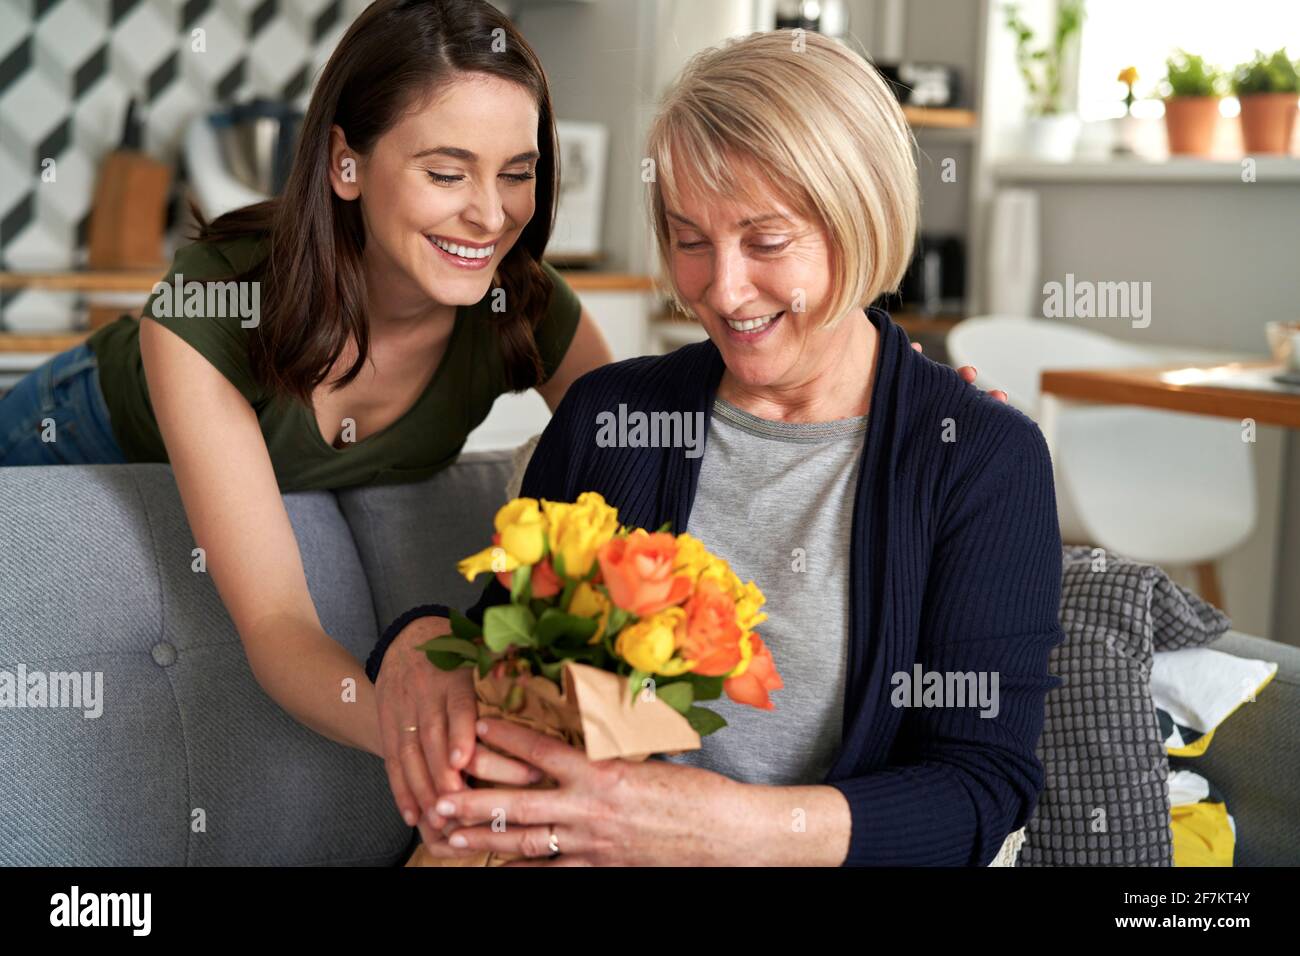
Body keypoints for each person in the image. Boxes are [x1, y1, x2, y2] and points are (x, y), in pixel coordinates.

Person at [368, 29, 1061, 866]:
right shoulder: (608, 416)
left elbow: (977, 788)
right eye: (690, 239)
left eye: (767, 242)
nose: (722, 291)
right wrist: (418, 639)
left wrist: (719, 829)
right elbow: (509, 659)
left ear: (863, 218)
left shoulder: (979, 458)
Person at [0, 0, 613, 853]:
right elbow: (281, 629)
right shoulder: (207, 310)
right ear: (345, 165)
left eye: (517, 172)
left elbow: (642, 497)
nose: (491, 214)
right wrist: (426, 744)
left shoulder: (527, 307)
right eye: (447, 172)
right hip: (66, 431)